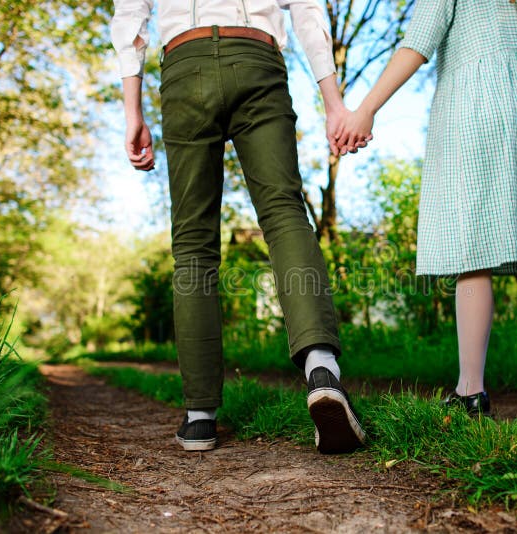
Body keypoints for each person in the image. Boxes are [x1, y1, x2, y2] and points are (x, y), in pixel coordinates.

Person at [110, 0, 367, 453]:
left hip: (183, 66)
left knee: (192, 242)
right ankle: (321, 369)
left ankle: (199, 416)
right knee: (285, 215)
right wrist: (334, 103)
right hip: (257, 58)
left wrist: (133, 113)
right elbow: (308, 9)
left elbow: (131, 16)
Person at [336, 0, 517, 439]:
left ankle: (470, 392)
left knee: (471, 250)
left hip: (474, 104)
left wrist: (364, 110)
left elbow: (417, 44)